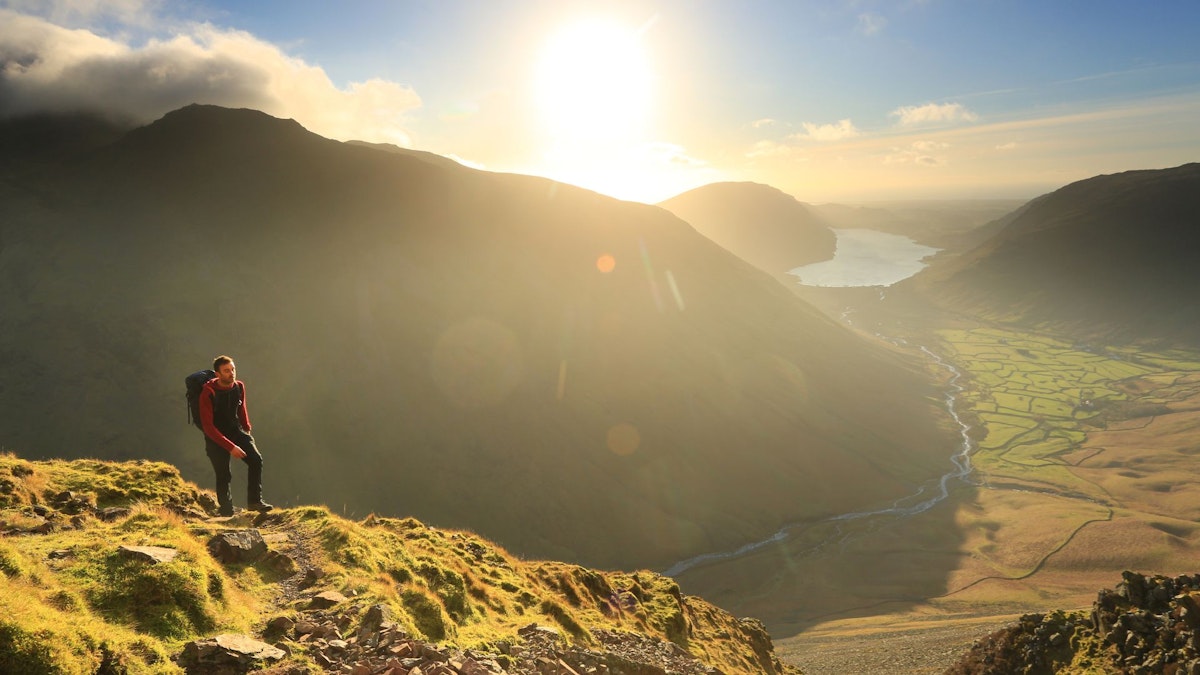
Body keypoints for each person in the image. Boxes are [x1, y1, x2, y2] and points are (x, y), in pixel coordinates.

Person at [199, 355, 273, 516]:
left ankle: (255, 502)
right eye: (226, 371)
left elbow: (241, 409)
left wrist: (247, 429)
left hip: (236, 431)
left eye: (233, 369)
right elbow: (208, 427)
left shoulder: (238, 386)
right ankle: (226, 510)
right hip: (215, 438)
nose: (231, 373)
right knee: (224, 474)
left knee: (255, 460)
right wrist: (230, 447)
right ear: (217, 374)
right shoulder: (208, 393)